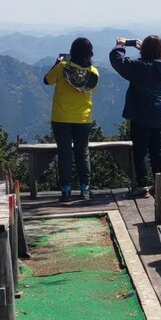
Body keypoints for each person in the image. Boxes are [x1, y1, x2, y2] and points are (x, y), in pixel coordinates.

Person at [109, 35, 161, 198]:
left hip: (140, 113)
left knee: (140, 150)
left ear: (144, 50)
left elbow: (117, 61)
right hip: (157, 115)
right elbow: (155, 62)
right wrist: (145, 50)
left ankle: (142, 186)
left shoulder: (140, 67)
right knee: (157, 149)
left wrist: (120, 46)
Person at [44, 37, 100, 201]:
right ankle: (85, 189)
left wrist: (56, 64)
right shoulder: (93, 73)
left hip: (61, 117)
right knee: (82, 153)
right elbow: (91, 90)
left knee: (64, 154)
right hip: (83, 118)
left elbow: (46, 80)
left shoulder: (62, 68)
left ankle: (66, 191)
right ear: (90, 53)